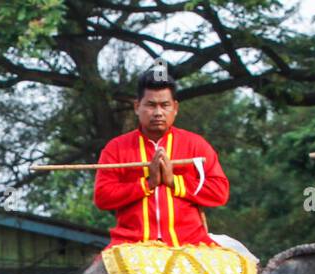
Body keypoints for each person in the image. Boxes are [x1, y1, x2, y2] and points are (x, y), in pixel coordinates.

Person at [93, 68, 229, 247]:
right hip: (132, 244)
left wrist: (174, 182)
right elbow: (102, 197)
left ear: (175, 108)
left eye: (165, 105)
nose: (158, 112)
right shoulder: (116, 148)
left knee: (238, 271)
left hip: (190, 243)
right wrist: (148, 183)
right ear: (137, 107)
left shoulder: (196, 145)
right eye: (150, 105)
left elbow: (220, 192)